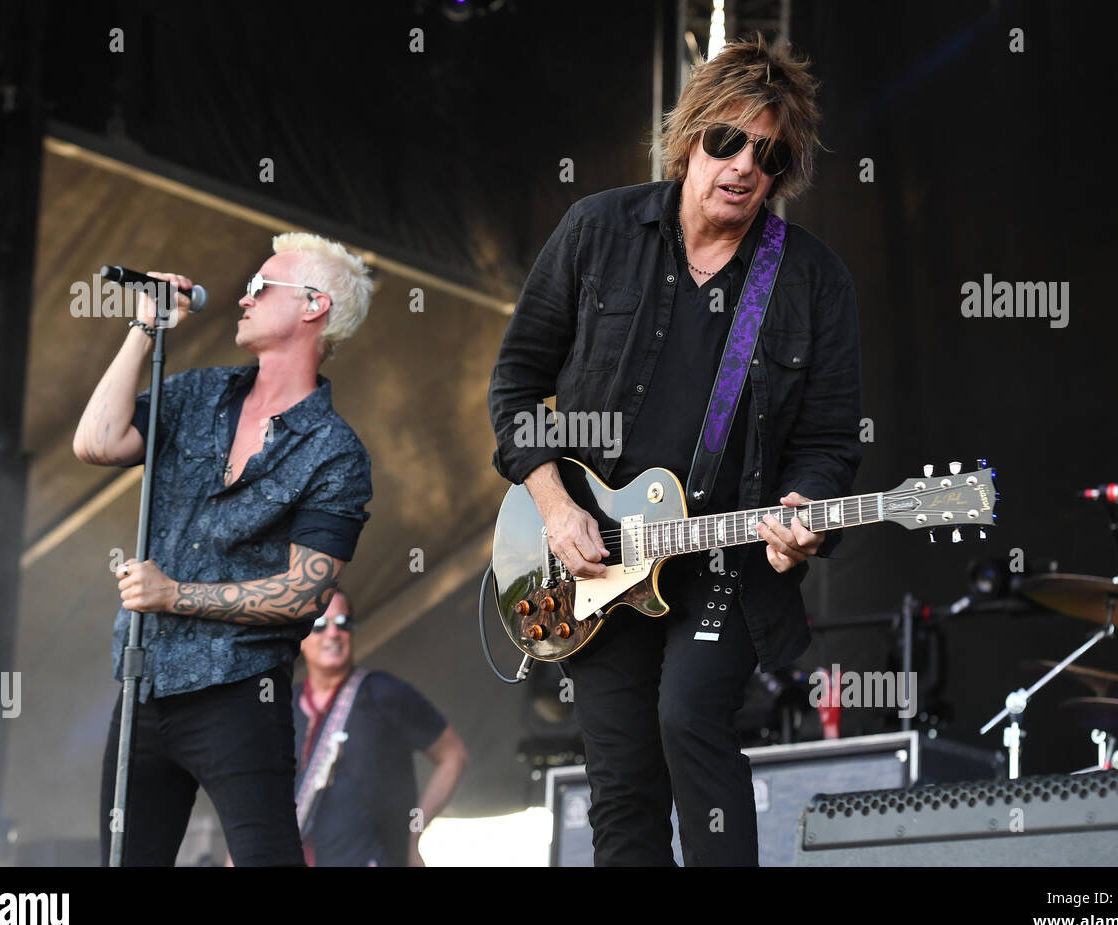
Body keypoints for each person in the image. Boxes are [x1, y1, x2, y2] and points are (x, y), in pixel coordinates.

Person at [487, 36, 861, 866]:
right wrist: (555, 508)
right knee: (620, 784)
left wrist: (804, 514)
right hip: (596, 560)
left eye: (769, 155)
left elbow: (830, 446)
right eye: (726, 140)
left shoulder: (810, 279)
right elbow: (515, 385)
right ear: (689, 137)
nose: (742, 166)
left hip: (722, 559)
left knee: (690, 722)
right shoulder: (598, 230)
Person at [75, 232, 375, 866]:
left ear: (313, 305)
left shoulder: (334, 451)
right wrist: (145, 329)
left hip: (240, 694)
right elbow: (97, 442)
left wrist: (174, 594)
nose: (243, 297)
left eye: (261, 286)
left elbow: (303, 593)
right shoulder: (200, 395)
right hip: (144, 682)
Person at [292, 590, 468, 866]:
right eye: (320, 625)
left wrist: (413, 832)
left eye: (343, 623)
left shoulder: (384, 693)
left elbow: (453, 755)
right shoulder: (282, 708)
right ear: (300, 637)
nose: (333, 633)